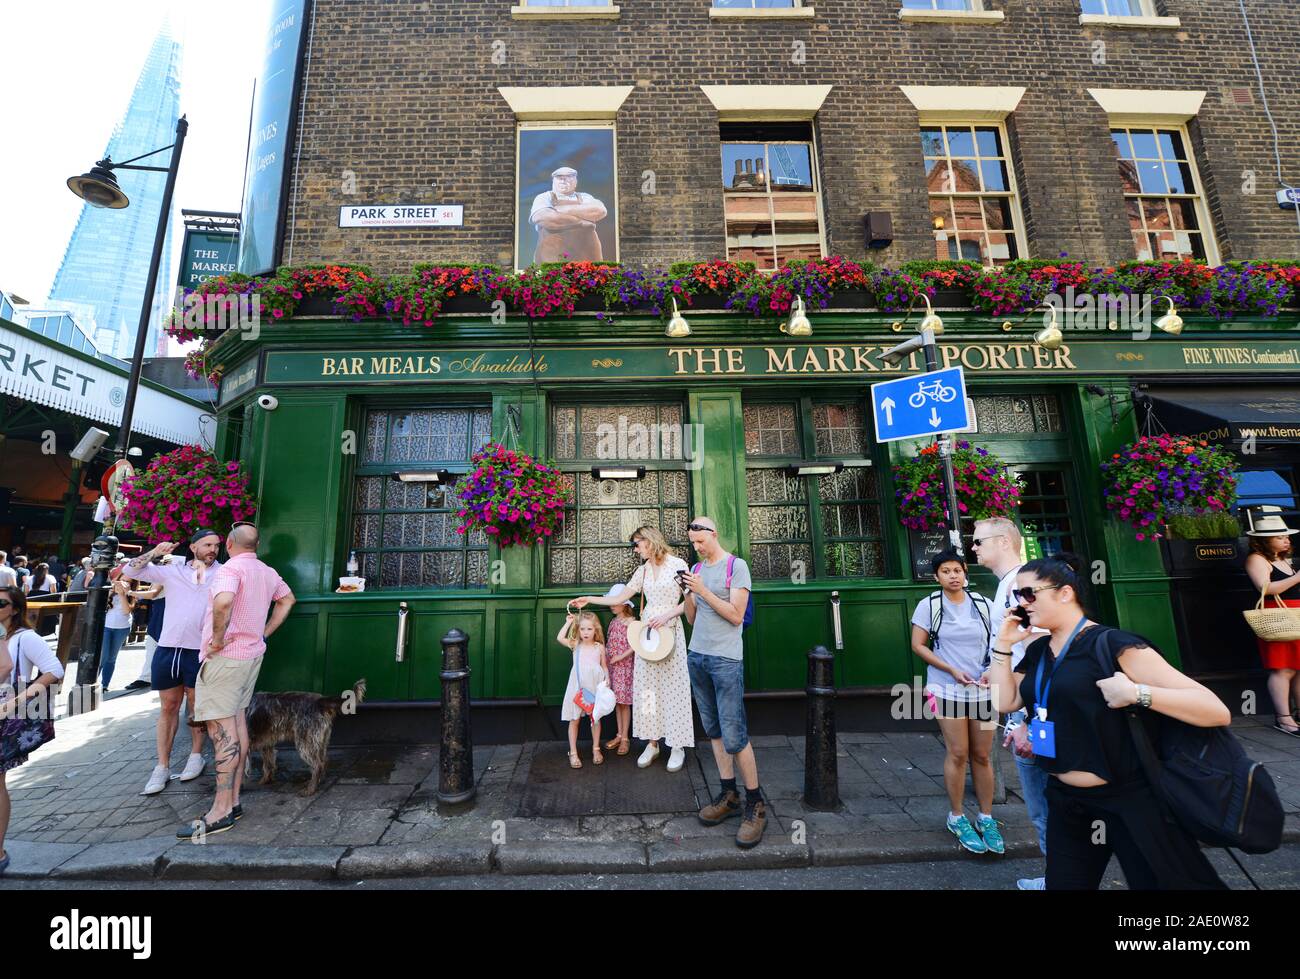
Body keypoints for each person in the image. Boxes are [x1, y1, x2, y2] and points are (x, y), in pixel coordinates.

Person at [989, 552, 1230, 890]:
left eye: (1029, 593)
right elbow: (1005, 700)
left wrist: (1137, 693)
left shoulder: (1114, 644)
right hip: (1065, 799)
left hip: (1129, 798)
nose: (1021, 603)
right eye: (1017, 595)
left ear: (1064, 593)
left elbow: (1215, 709)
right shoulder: (1039, 650)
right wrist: (1002, 645)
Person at [179, 524, 295, 838]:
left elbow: (223, 603)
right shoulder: (267, 571)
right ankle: (234, 800)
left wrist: (217, 639)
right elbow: (287, 600)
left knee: (221, 733)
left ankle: (220, 810)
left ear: (230, 543)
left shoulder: (229, 570)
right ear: (256, 545)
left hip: (225, 660)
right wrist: (263, 633)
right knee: (237, 723)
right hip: (250, 657)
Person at [574, 526, 694, 773]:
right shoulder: (644, 570)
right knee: (648, 690)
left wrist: (670, 613)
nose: (636, 549)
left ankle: (677, 746)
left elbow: (692, 599)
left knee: (674, 688)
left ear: (649, 541)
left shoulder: (678, 564)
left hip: (670, 631)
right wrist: (590, 599)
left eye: (637, 544)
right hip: (647, 636)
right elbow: (621, 597)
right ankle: (652, 742)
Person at [971, 516, 1048, 887]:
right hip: (1026, 710)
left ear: (1003, 542)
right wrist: (993, 669)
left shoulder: (1021, 585)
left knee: (1045, 804)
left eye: (978, 541)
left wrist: (1028, 723)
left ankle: (1061, 879)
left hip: (1036, 715)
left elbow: (1041, 652)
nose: (974, 548)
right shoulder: (1010, 585)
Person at [909, 548, 1001, 855]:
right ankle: (958, 816)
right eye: (946, 571)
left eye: (958, 570)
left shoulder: (984, 604)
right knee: (959, 752)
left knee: (983, 754)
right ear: (936, 576)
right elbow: (917, 646)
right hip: (945, 689)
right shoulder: (929, 605)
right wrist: (950, 669)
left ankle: (987, 818)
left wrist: (990, 670)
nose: (953, 576)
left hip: (984, 690)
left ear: (965, 573)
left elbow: (998, 643)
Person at [683, 516, 766, 849]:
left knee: (735, 733)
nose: (697, 547)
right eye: (692, 543)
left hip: (725, 658)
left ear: (713, 534)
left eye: (700, 541)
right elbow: (691, 619)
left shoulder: (737, 566)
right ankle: (728, 795)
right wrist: (689, 593)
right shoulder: (697, 570)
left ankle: (755, 803)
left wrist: (703, 590)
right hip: (697, 656)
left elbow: (735, 615)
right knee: (714, 729)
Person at [0, 586, 66, 876]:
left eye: (1, 602)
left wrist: (18, 698)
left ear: (15, 609)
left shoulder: (25, 638)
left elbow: (55, 670)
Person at [1242, 506, 1300, 736]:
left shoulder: (1284, 560)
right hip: (1278, 616)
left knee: (1298, 668)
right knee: (1282, 669)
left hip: (1295, 615)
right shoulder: (1256, 559)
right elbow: (1265, 588)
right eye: (1279, 537)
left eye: (1286, 536)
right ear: (1265, 540)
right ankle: (1283, 718)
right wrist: (1297, 578)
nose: (1286, 540)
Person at [556, 611, 609, 768]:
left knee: (595, 718)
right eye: (583, 629)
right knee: (575, 720)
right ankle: (573, 752)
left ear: (596, 630)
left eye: (589, 629)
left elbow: (604, 666)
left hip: (594, 686)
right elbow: (559, 638)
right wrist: (568, 622)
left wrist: (607, 680)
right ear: (578, 630)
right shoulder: (575, 645)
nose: (586, 633)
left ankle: (596, 748)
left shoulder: (599, 647)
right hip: (577, 687)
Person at [529, 166, 608, 262]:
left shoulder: (585, 197)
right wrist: (582, 222)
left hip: (587, 257)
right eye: (560, 178)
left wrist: (558, 210)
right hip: (553, 258)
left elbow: (599, 211)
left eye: (569, 177)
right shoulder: (543, 197)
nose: (563, 181)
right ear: (553, 181)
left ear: (575, 182)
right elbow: (544, 218)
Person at [600, 585, 635, 756]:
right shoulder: (614, 622)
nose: (612, 605)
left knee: (624, 703)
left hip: (625, 667)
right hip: (613, 667)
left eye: (615, 602)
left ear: (625, 603)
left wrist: (620, 657)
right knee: (617, 701)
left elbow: (635, 645)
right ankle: (619, 734)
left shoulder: (632, 622)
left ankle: (625, 738)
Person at [99, 575, 135, 690]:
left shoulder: (131, 594)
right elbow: (99, 607)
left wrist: (122, 594)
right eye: (123, 580)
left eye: (128, 582)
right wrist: (110, 592)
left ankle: (104, 685)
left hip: (122, 627)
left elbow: (126, 611)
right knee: (102, 657)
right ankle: (91, 683)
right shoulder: (109, 590)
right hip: (106, 626)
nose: (124, 583)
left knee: (111, 658)